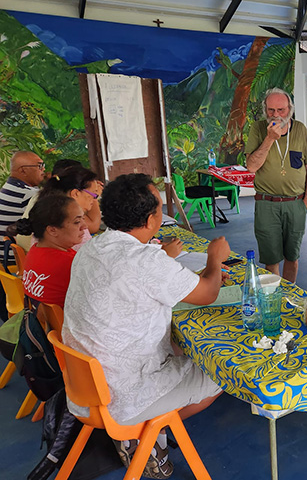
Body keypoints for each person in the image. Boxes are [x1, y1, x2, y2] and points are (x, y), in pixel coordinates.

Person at [62, 174, 227, 479]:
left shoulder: (90, 249)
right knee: (220, 371)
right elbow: (208, 294)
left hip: (83, 389)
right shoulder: (144, 261)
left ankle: (146, 436)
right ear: (153, 219)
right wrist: (215, 260)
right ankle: (145, 434)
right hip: (122, 397)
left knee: (175, 343)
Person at [244, 88, 307, 283]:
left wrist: (306, 199)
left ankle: (290, 298)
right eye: (271, 110)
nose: (276, 115)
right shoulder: (258, 129)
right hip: (267, 204)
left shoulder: (300, 129)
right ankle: (275, 299)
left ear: (290, 109)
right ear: (265, 110)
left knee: (292, 257)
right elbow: (251, 167)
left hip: (296, 203)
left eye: (281, 110)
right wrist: (269, 139)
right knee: (271, 259)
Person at [13, 194, 86, 308]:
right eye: (77, 222)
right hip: (64, 324)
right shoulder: (70, 264)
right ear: (52, 230)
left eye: (83, 218)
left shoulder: (35, 250)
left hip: (40, 323)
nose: (84, 226)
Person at [16, 165, 103, 252]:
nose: (95, 199)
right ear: (75, 193)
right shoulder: (67, 218)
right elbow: (90, 255)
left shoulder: (49, 207)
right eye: (94, 194)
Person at [0, 151, 45, 243]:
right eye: (39, 166)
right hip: (14, 255)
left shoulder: (7, 187)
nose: (43, 169)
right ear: (23, 170)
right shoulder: (29, 195)